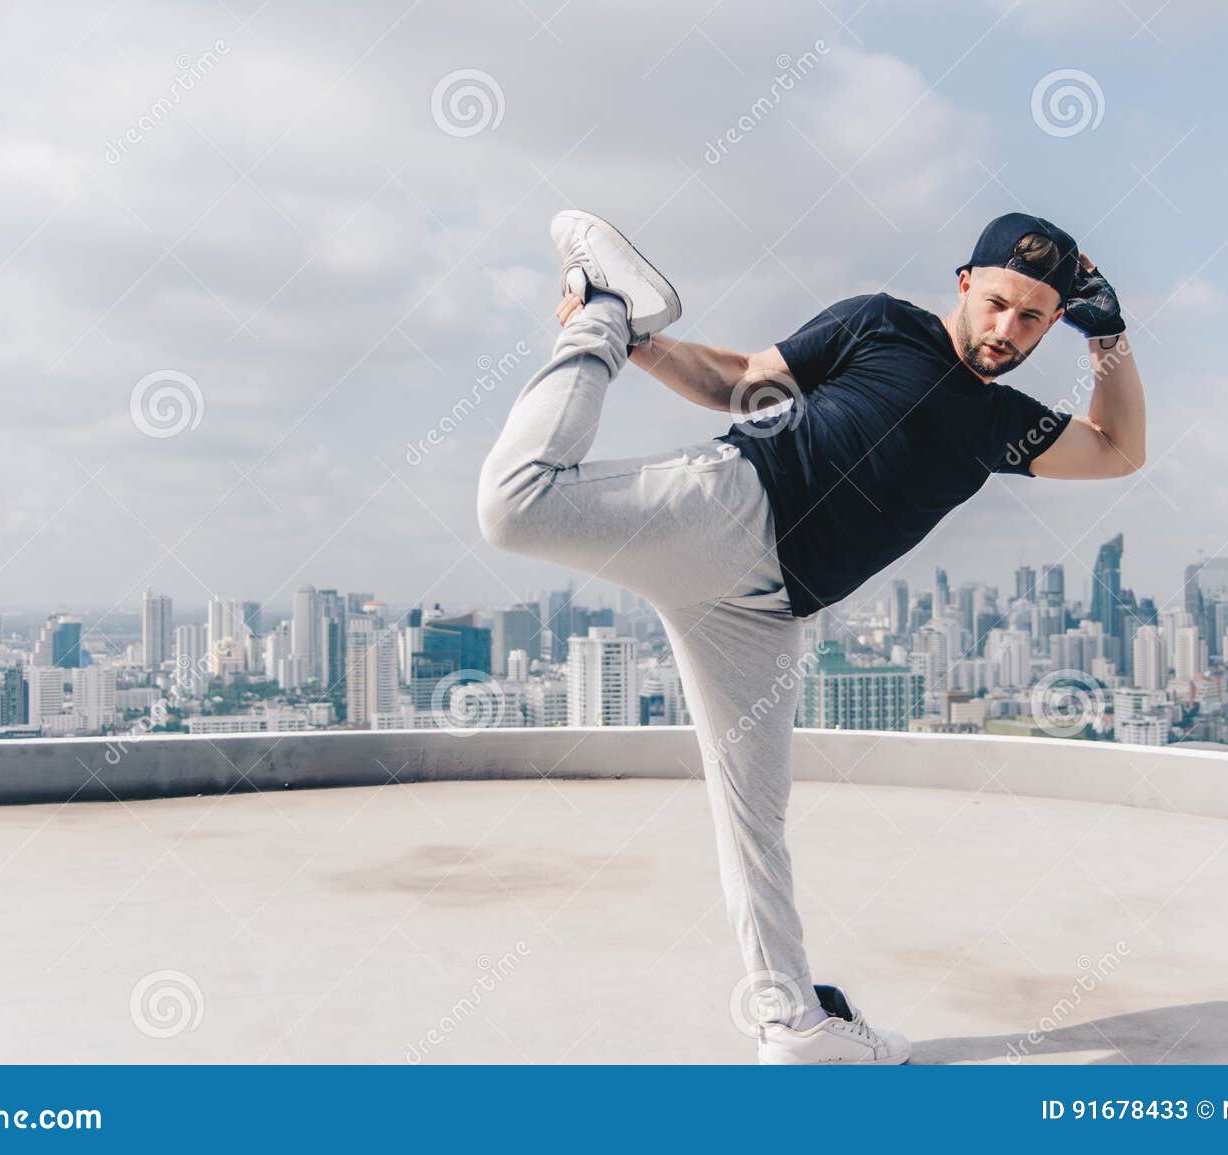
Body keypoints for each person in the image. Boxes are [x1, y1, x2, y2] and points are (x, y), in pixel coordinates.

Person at [476, 208, 1146, 1064]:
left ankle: (789, 1016)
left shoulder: (1000, 423)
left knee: (753, 817)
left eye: (1032, 320)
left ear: (1053, 323)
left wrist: (1111, 335)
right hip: (734, 507)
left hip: (769, 611)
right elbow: (741, 380)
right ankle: (609, 307)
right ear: (966, 283)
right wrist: (632, 339)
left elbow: (1120, 449)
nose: (1007, 331)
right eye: (1000, 304)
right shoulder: (880, 323)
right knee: (514, 504)